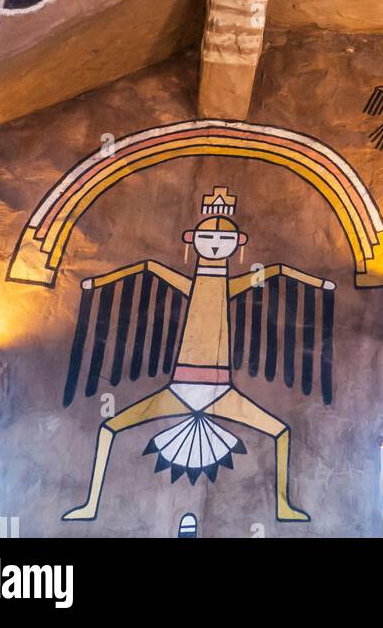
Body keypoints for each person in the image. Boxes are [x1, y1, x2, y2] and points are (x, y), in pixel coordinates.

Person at [62, 186, 333, 522]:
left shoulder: (229, 284)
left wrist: (320, 285)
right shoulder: (191, 283)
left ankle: (283, 506)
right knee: (110, 428)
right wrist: (99, 282)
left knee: (280, 431)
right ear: (191, 238)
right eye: (208, 235)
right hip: (179, 387)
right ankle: (90, 506)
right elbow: (147, 266)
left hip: (222, 389)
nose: (216, 241)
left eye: (225, 237)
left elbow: (276, 270)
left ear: (240, 242)